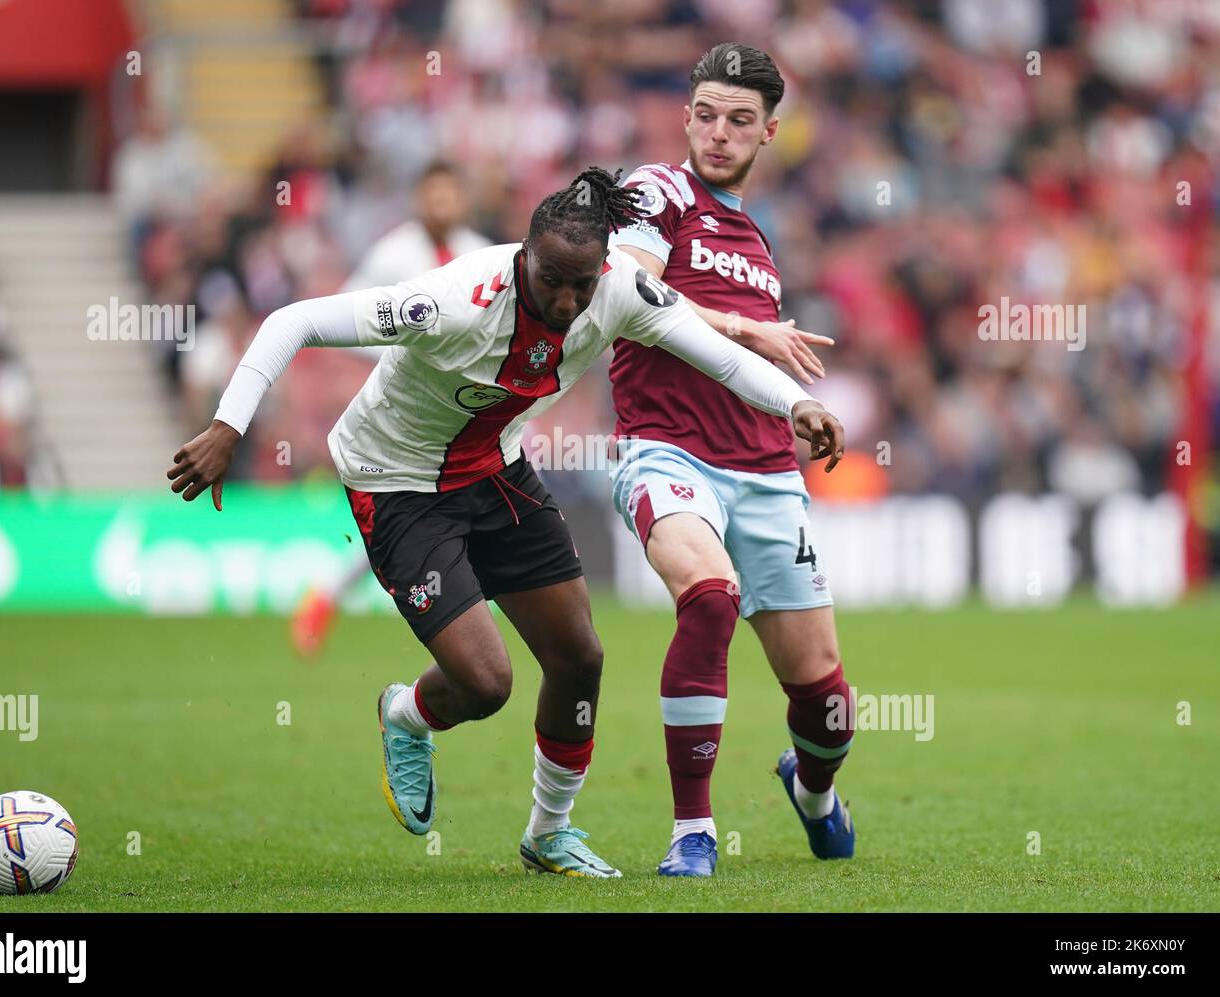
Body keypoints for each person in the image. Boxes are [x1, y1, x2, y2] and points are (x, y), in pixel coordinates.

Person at [167, 167, 845, 878]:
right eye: (552, 279)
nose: (567, 300)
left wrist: (795, 403)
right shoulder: (452, 301)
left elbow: (720, 358)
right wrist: (227, 427)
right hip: (397, 481)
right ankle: (405, 714)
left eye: (582, 284)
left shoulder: (619, 289)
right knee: (487, 685)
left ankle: (549, 833)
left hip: (494, 468)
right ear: (525, 256)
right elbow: (295, 321)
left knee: (579, 656)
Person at [608, 44, 856, 877]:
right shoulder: (657, 192)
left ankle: (813, 792)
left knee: (827, 704)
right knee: (709, 597)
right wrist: (750, 329)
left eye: (740, 120)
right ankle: (693, 830)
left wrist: (792, 406)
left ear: (768, 132)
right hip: (667, 451)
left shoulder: (755, 239)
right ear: (686, 118)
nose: (719, 133)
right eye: (707, 115)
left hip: (766, 472)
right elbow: (630, 294)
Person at [291, 161, 492, 657]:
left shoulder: (479, 253)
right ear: (419, 200)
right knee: (404, 516)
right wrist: (400, 358)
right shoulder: (392, 254)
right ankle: (330, 596)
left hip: (472, 415)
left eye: (449, 195)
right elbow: (345, 314)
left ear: (462, 201)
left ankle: (478, 607)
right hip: (410, 415)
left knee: (467, 511)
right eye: (433, 195)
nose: (441, 204)